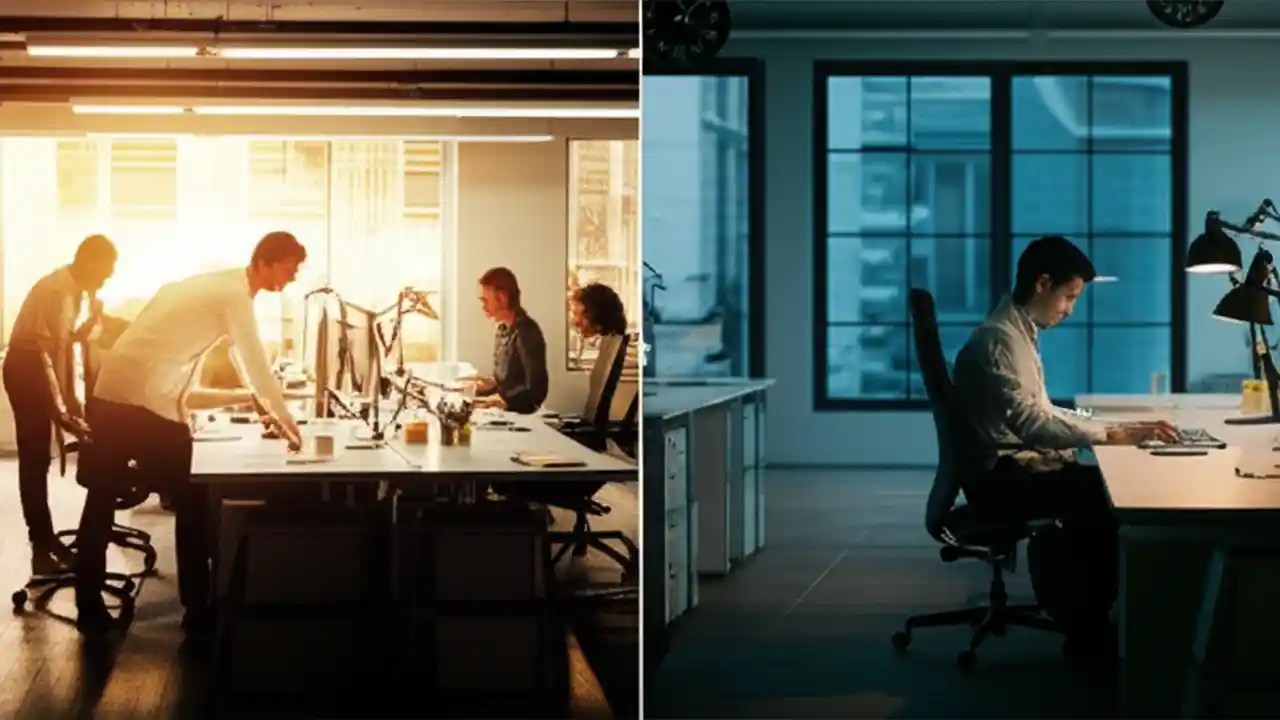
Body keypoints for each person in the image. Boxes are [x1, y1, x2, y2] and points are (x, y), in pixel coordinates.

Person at [951, 235, 1177, 657]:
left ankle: (1083, 614)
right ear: (1042, 284)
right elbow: (1035, 424)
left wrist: (1118, 427)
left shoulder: (1016, 332)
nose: (1070, 309)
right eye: (1068, 296)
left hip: (1005, 468)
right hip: (998, 478)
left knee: (1098, 488)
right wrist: (1112, 434)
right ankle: (1087, 628)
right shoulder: (1001, 340)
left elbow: (1044, 410)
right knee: (1104, 498)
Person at [73, 231, 307, 634]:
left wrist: (252, 402)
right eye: (289, 269)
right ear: (266, 261)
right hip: (137, 401)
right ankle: (198, 609)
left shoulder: (215, 289)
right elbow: (252, 357)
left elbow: (211, 369)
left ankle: (89, 605)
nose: (291, 279)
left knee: (101, 500)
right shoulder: (233, 294)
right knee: (193, 496)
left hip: (114, 393)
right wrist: (288, 423)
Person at [3, 235, 116, 576]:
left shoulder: (74, 292)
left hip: (40, 365)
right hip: (28, 369)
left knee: (41, 461)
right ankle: (40, 547)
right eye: (105, 270)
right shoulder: (55, 290)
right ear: (88, 261)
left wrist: (92, 322)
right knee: (35, 461)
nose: (107, 277)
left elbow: (65, 343)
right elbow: (45, 355)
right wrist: (64, 409)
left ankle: (46, 539)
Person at [473, 267, 548, 414]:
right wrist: (483, 386)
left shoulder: (527, 332)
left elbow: (536, 391)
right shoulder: (502, 331)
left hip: (521, 418)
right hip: (504, 414)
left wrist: (502, 400)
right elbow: (506, 383)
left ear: (502, 298)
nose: (483, 307)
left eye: (485, 300)